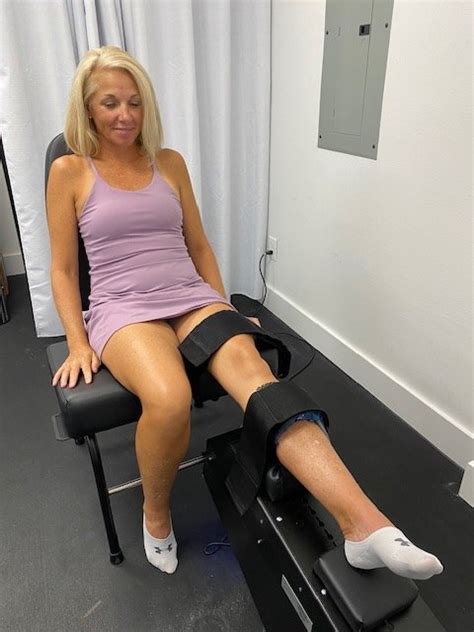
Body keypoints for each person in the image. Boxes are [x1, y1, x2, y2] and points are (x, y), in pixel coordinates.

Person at [47, 46, 443, 578]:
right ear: (88, 109)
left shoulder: (169, 162)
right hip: (124, 307)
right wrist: (77, 341)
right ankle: (156, 514)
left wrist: (223, 306)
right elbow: (63, 270)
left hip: (189, 295)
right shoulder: (70, 171)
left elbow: (199, 245)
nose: (125, 114)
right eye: (110, 103)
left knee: (261, 381)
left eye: (135, 102)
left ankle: (364, 528)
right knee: (169, 397)